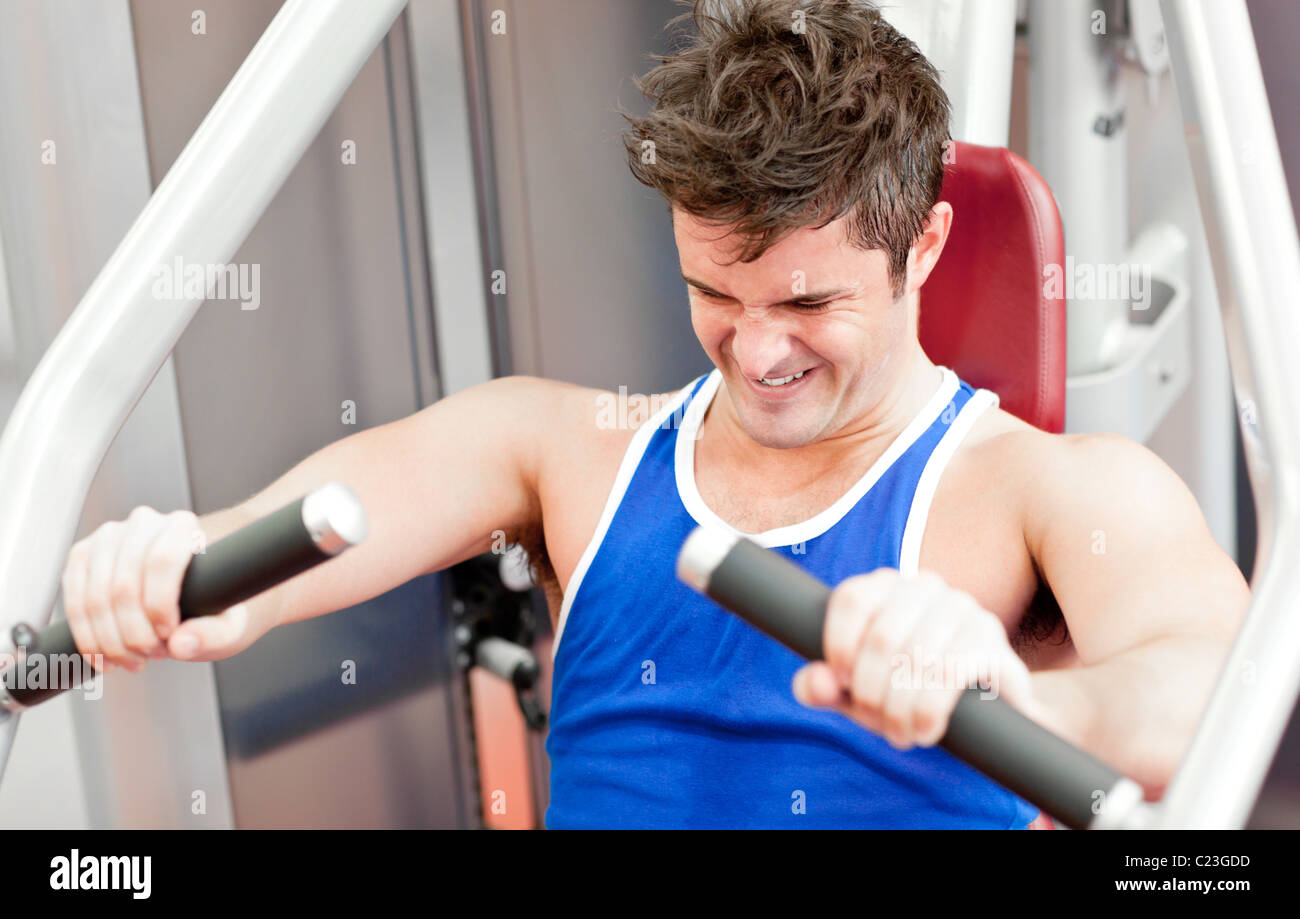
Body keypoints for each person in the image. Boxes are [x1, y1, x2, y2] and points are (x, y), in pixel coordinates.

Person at [59, 0, 1250, 828]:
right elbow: (284, 540)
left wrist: (1029, 704)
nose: (758, 351)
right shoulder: (562, 450)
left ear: (923, 245)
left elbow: (1216, 684)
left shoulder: (1051, 491)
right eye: (715, 295)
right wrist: (182, 569)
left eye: (808, 302)